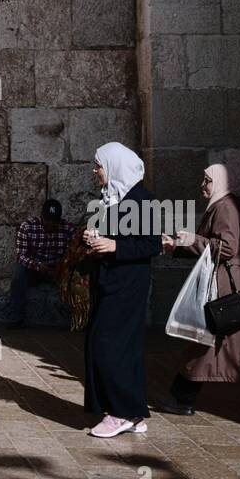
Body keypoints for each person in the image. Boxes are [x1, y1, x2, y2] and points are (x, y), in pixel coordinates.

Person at [157, 163, 240, 427]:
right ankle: (183, 398)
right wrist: (177, 245)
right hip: (237, 290)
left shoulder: (226, 206)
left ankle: (183, 398)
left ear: (221, 182)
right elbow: (211, 244)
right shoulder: (224, 204)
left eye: (207, 181)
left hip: (232, 292)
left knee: (210, 342)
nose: (203, 185)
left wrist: (190, 240)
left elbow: (227, 247)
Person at [82, 142, 163, 438]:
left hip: (127, 286)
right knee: (121, 348)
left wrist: (114, 245)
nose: (95, 171)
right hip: (111, 281)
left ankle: (120, 412)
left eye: (98, 165)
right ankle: (134, 411)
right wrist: (96, 239)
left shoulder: (143, 200)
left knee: (108, 345)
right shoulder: (113, 198)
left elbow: (151, 244)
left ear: (114, 166)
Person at [0, 198, 76, 327]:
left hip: (58, 269)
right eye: (48, 221)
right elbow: (21, 256)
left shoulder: (68, 229)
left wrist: (63, 268)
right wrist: (38, 266)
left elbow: (73, 254)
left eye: (54, 222)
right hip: (34, 269)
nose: (50, 225)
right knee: (19, 274)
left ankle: (76, 320)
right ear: (41, 217)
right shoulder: (27, 227)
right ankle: (15, 317)